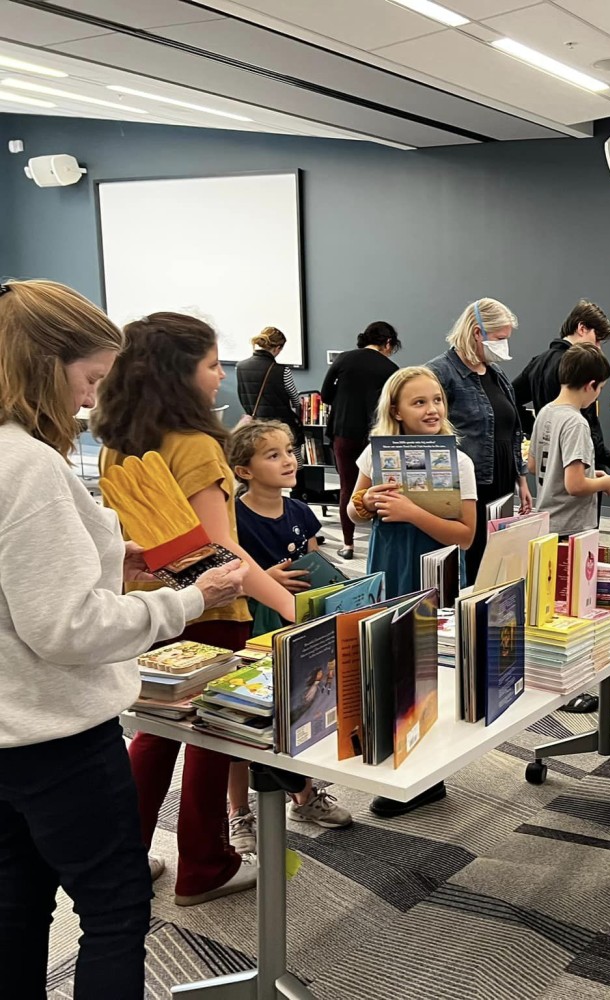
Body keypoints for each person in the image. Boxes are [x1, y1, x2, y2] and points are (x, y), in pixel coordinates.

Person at [0, 279, 246, 1000]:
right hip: (56, 735)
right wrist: (187, 600)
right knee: (114, 909)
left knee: (16, 905)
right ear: (44, 361)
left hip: (8, 733)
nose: (88, 400)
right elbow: (65, 627)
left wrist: (113, 556)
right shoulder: (31, 464)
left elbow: (23, 580)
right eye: (87, 379)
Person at [94, 312, 298, 906]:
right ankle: (206, 865)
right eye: (212, 365)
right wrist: (287, 603)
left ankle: (126, 861)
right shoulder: (197, 445)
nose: (220, 378)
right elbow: (223, 551)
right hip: (208, 610)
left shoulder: (120, 442)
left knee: (155, 732)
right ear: (179, 373)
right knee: (216, 734)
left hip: (150, 605)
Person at [347, 366, 478, 818]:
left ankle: (426, 777)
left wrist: (410, 511)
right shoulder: (373, 454)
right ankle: (397, 757)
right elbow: (356, 511)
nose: (432, 409)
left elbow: (464, 535)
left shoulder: (459, 462)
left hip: (434, 572)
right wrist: (367, 502)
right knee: (383, 659)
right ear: (396, 413)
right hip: (388, 565)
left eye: (437, 400)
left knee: (426, 666)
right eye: (419, 402)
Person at [225, 421, 354, 852]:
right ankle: (238, 812)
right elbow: (225, 574)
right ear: (244, 470)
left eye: (290, 451)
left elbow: (316, 561)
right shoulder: (234, 518)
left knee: (304, 704)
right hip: (254, 622)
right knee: (248, 719)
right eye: (273, 454)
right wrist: (265, 578)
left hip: (298, 622)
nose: (289, 460)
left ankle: (303, 796)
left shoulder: (300, 511)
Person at [426, 299, 530, 589]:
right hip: (470, 488)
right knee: (470, 561)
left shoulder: (496, 374)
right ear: (476, 332)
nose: (504, 346)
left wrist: (521, 478)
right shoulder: (440, 373)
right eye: (500, 339)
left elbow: (512, 431)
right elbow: (428, 431)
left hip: (502, 484)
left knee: (497, 559)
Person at [513, 299, 610, 489]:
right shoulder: (579, 369)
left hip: (551, 471)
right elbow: (590, 432)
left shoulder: (538, 362)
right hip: (582, 470)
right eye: (597, 339)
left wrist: (538, 427)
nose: (598, 347)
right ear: (582, 328)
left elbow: (510, 400)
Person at [321, 321, 401, 559]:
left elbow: (325, 395)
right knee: (384, 486)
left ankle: (348, 545)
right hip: (376, 435)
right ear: (388, 343)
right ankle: (384, 541)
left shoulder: (344, 359)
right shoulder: (391, 368)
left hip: (344, 431)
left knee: (348, 485)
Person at [529, 343, 610, 536]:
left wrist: (591, 475)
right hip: (571, 527)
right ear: (590, 385)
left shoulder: (545, 412)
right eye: (600, 388)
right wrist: (606, 483)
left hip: (547, 522)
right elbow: (575, 485)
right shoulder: (576, 423)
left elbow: (533, 466)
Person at [236, 326, 302, 445]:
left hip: (255, 427)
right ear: (277, 348)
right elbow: (295, 400)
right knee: (292, 459)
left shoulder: (240, 367)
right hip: (281, 427)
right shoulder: (282, 371)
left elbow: (242, 395)